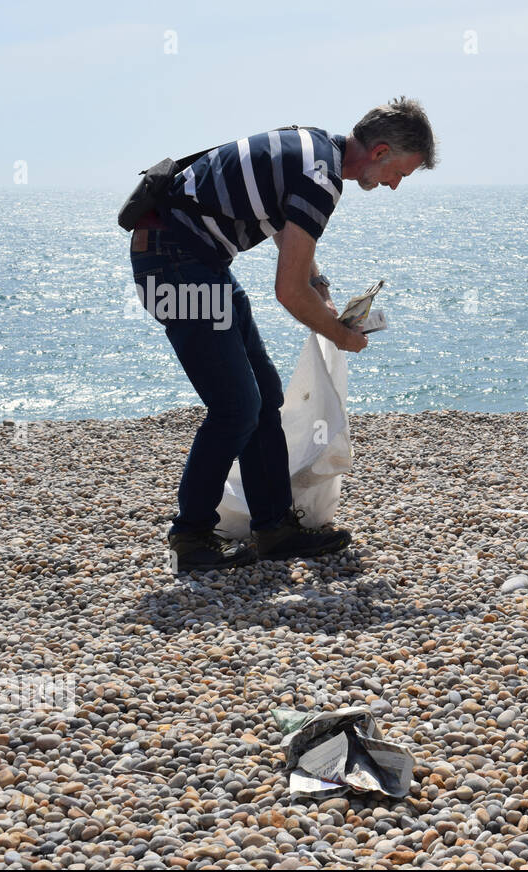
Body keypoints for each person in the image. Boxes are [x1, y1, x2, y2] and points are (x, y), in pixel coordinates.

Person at [129, 98, 437, 572]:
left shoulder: (313, 148)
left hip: (194, 261)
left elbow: (286, 238)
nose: (396, 184)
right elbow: (288, 292)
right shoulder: (322, 178)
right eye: (402, 172)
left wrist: (324, 291)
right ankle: (189, 537)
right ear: (379, 152)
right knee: (235, 407)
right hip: (178, 265)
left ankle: (274, 529)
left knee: (263, 397)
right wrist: (339, 334)